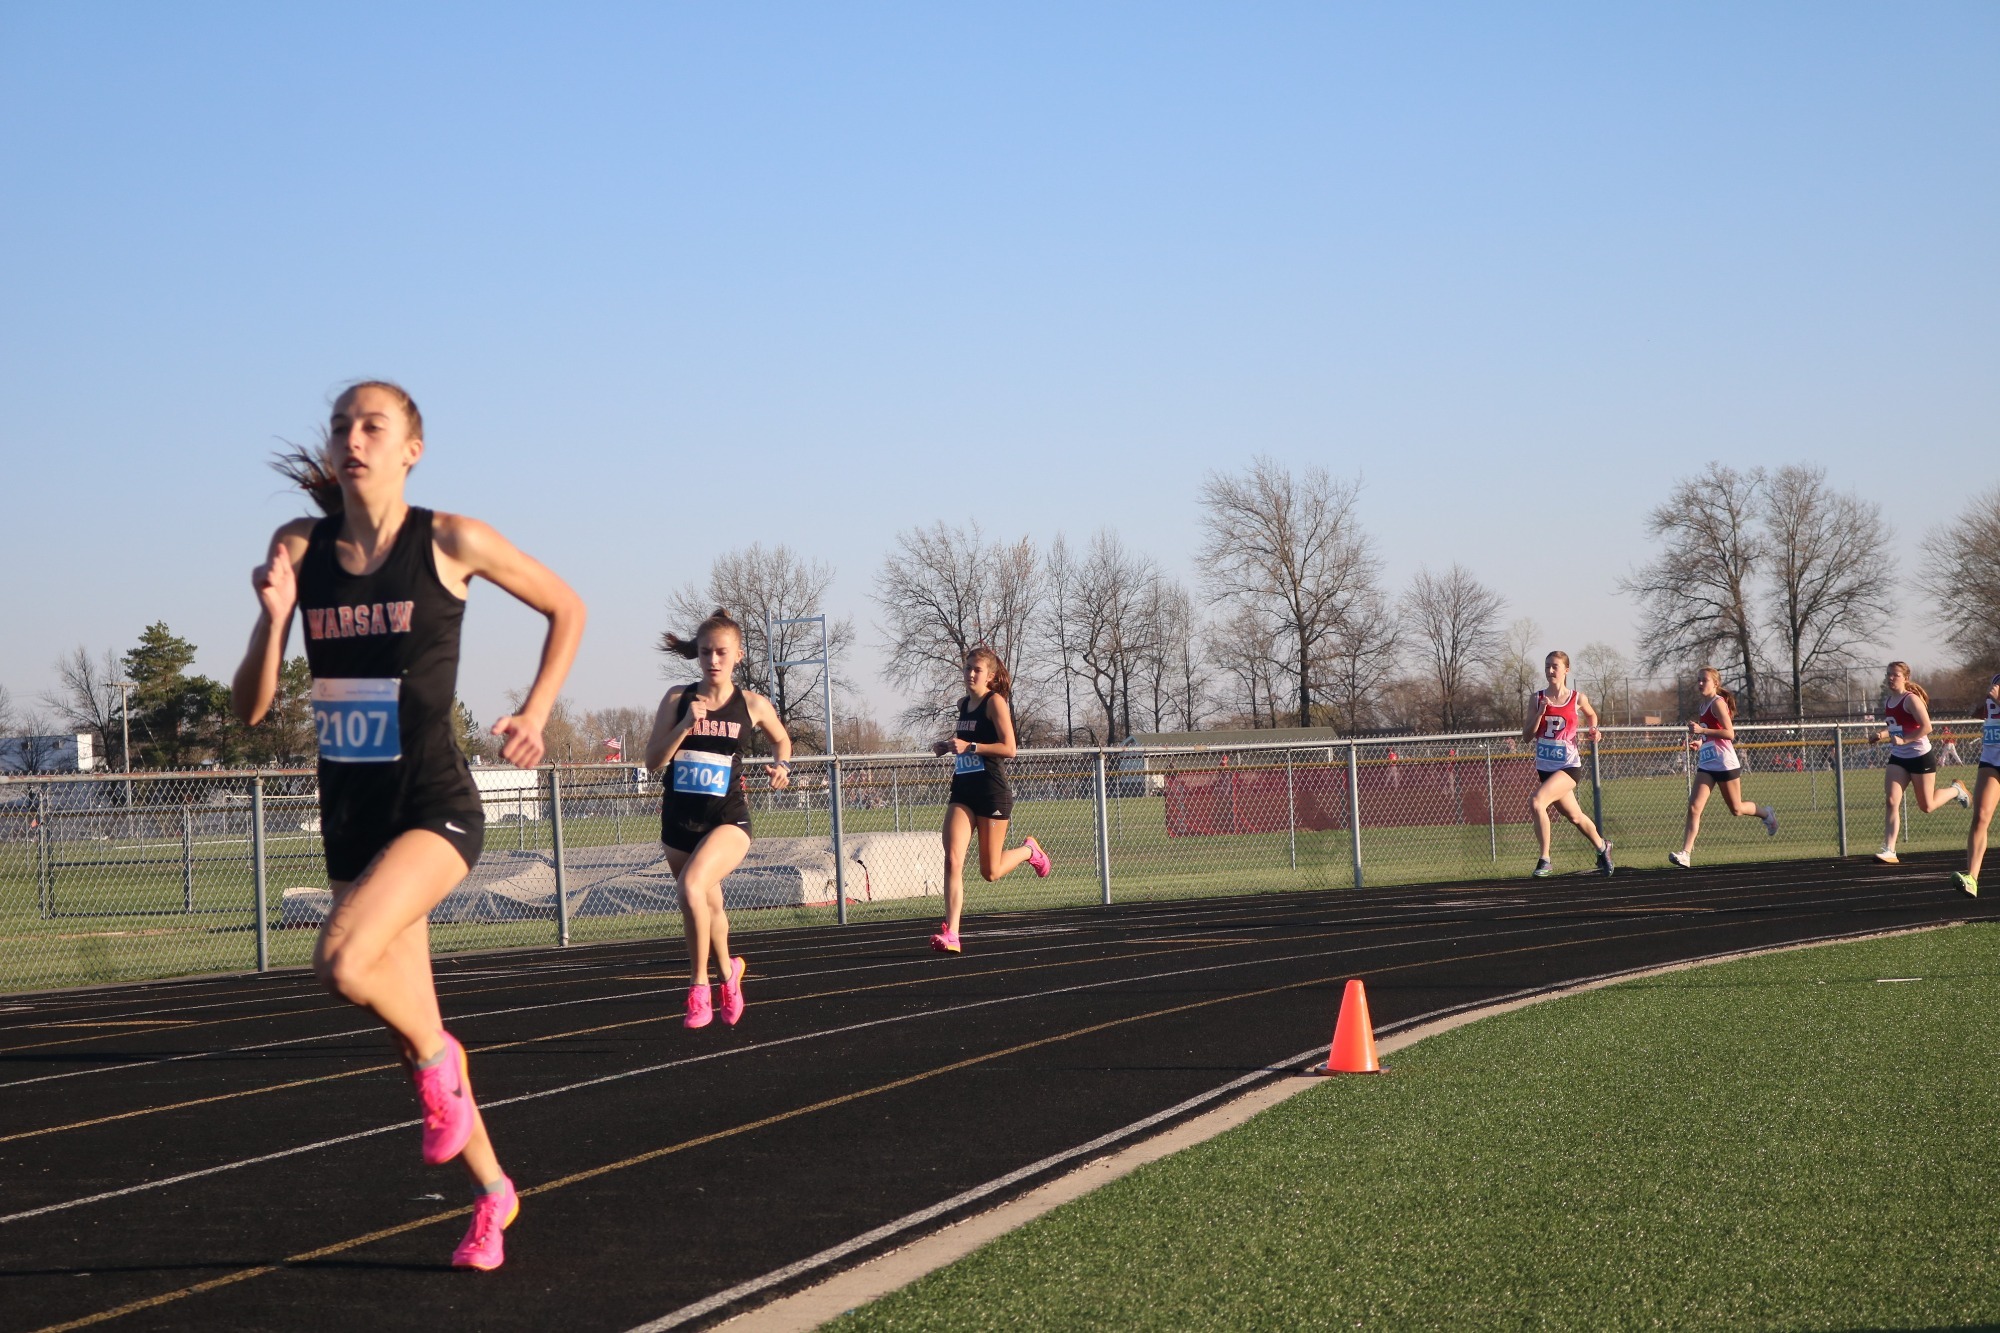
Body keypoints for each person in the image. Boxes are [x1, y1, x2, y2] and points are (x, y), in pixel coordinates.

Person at [232, 380, 585, 1272]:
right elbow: (251, 707)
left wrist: (537, 710)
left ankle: (441, 1055)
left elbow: (566, 606)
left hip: (434, 808)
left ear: (410, 448)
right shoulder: (300, 548)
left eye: (372, 426)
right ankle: (493, 1193)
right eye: (342, 425)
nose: (353, 437)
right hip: (352, 817)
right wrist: (272, 623)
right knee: (407, 1043)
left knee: (345, 964)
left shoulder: (449, 539)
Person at [645, 608, 792, 1027]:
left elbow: (782, 740)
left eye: (721, 653)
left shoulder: (751, 704)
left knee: (691, 887)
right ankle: (729, 974)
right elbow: (654, 761)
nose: (713, 660)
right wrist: (684, 728)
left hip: (728, 820)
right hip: (678, 822)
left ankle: (698, 987)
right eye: (706, 652)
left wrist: (783, 767)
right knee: (707, 903)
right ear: (698, 655)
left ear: (738, 656)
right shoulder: (678, 699)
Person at [929, 646, 1051, 953]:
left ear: (990, 675)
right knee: (952, 859)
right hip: (963, 791)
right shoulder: (962, 705)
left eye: (977, 669)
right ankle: (952, 933)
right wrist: (948, 746)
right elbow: (966, 742)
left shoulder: (994, 702)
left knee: (990, 871)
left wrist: (971, 747)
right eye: (967, 667)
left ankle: (1028, 850)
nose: (970, 673)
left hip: (991, 791)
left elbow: (1009, 748)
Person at [1668, 667, 1778, 868]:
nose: (1700, 683)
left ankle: (1766, 814)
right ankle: (1686, 853)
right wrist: (1700, 741)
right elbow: (1710, 735)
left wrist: (1702, 730)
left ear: (1715, 683)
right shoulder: (1703, 706)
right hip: (1707, 764)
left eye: (1705, 680)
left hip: (1725, 763)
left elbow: (1729, 734)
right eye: (1698, 680)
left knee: (1736, 809)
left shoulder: (1718, 703)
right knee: (1694, 807)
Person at [1523, 650, 1614, 878]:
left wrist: (1594, 730)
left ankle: (1545, 859)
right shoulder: (1537, 698)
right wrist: (1540, 712)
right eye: (1547, 667)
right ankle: (1603, 847)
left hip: (1568, 767)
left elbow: (1591, 715)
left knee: (1536, 802)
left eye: (1555, 666)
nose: (1550, 671)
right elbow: (1526, 736)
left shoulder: (1577, 698)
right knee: (1575, 817)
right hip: (1546, 768)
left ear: (1566, 670)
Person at [1871, 660, 1970, 864]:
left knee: (1927, 806)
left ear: (1905, 678)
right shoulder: (1889, 701)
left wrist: (1906, 740)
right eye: (1888, 673)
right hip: (1899, 757)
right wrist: (1881, 734)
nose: (1890, 677)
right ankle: (1889, 849)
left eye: (1895, 674)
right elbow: (1897, 726)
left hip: (1919, 756)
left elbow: (1927, 727)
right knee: (1891, 801)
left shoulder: (1911, 699)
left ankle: (1956, 790)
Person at [1951, 674, 2000, 896]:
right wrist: (1981, 709)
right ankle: (1972, 878)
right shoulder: (1996, 678)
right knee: (1980, 816)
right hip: (1991, 758)